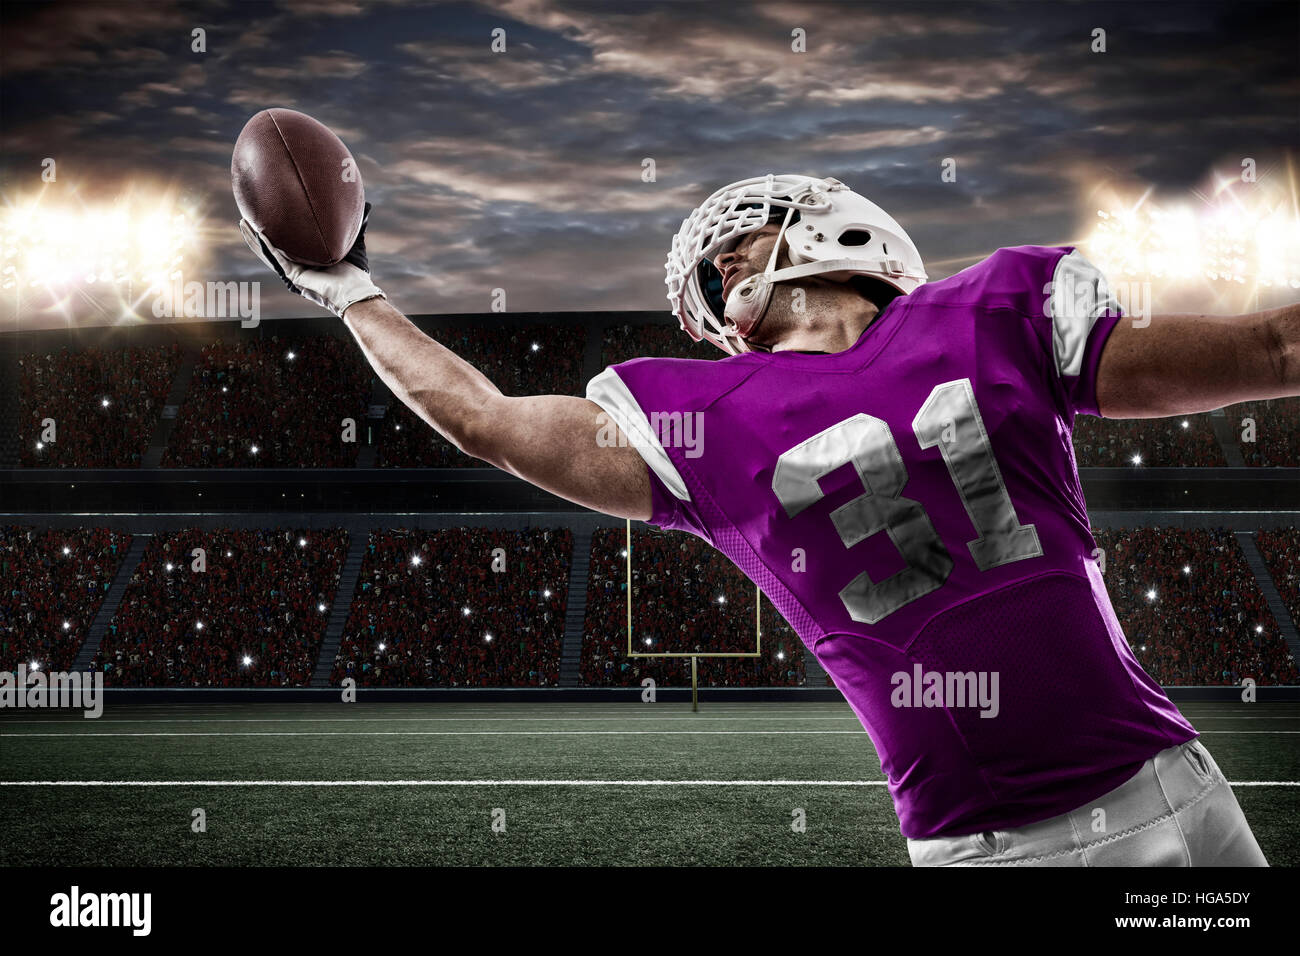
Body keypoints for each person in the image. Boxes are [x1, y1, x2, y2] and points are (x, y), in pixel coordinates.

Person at [240, 174, 1297, 865]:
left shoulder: (999, 304)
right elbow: (485, 418)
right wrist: (348, 290)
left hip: (1167, 783)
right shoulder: (697, 416)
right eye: (710, 265)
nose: (722, 261)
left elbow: (1270, 351)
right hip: (989, 846)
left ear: (835, 225)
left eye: (739, 235)